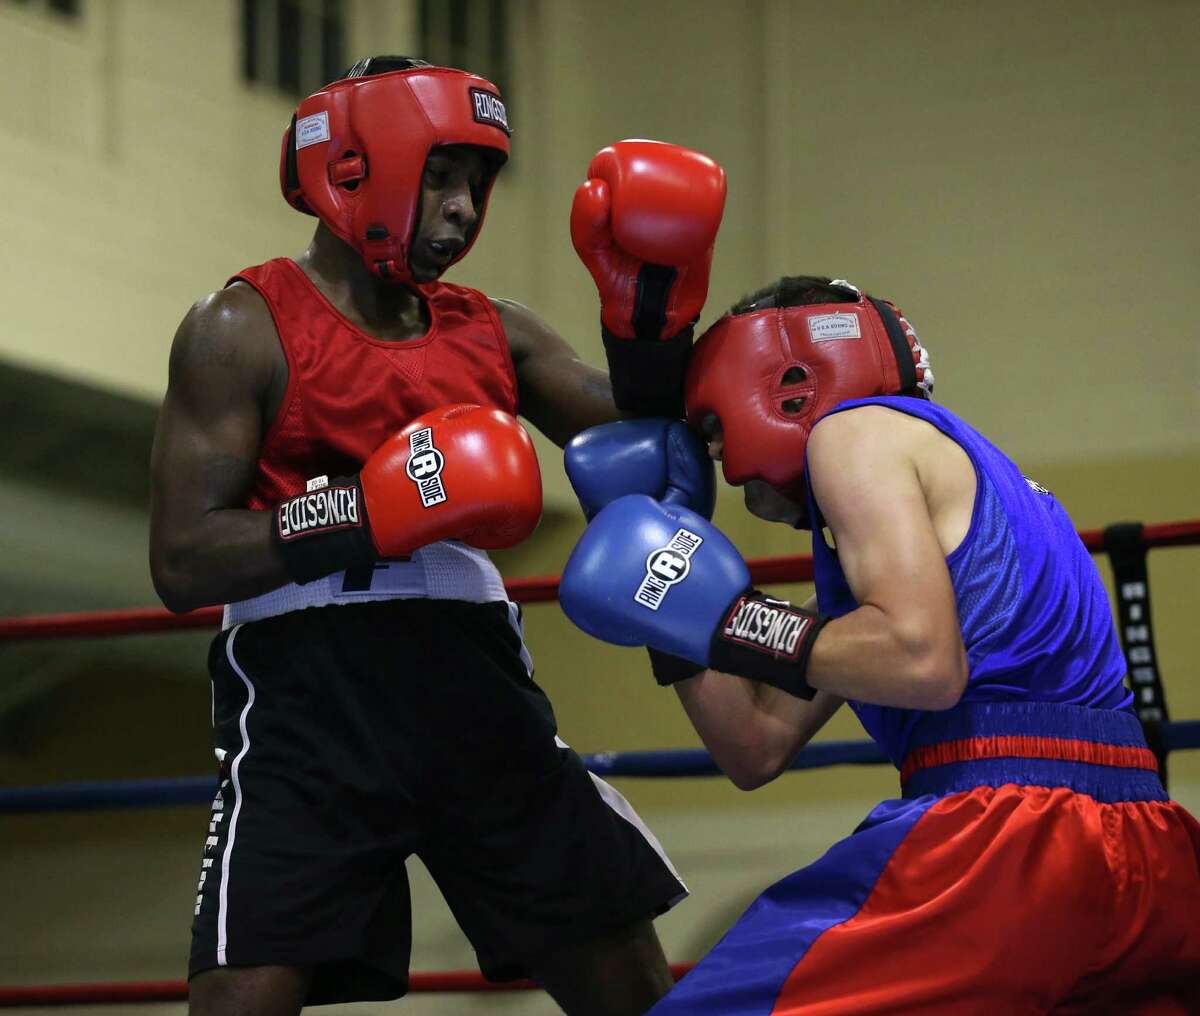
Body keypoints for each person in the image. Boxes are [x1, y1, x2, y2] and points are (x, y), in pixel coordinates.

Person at [148, 56, 724, 1016]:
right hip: (304, 696)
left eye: (477, 183)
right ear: (359, 170)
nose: (462, 209)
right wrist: (364, 515)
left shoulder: (497, 332)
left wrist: (651, 312)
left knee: (628, 984)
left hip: (473, 680)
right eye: (442, 176)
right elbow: (180, 559)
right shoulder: (240, 326)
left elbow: (647, 427)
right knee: (240, 998)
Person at [559, 276, 1200, 1013]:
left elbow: (922, 665)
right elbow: (755, 745)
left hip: (1005, 842)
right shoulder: (962, 511)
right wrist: (667, 611)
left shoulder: (854, 430)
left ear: (791, 386)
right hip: (1148, 849)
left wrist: (732, 620)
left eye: (711, 423)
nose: (715, 453)